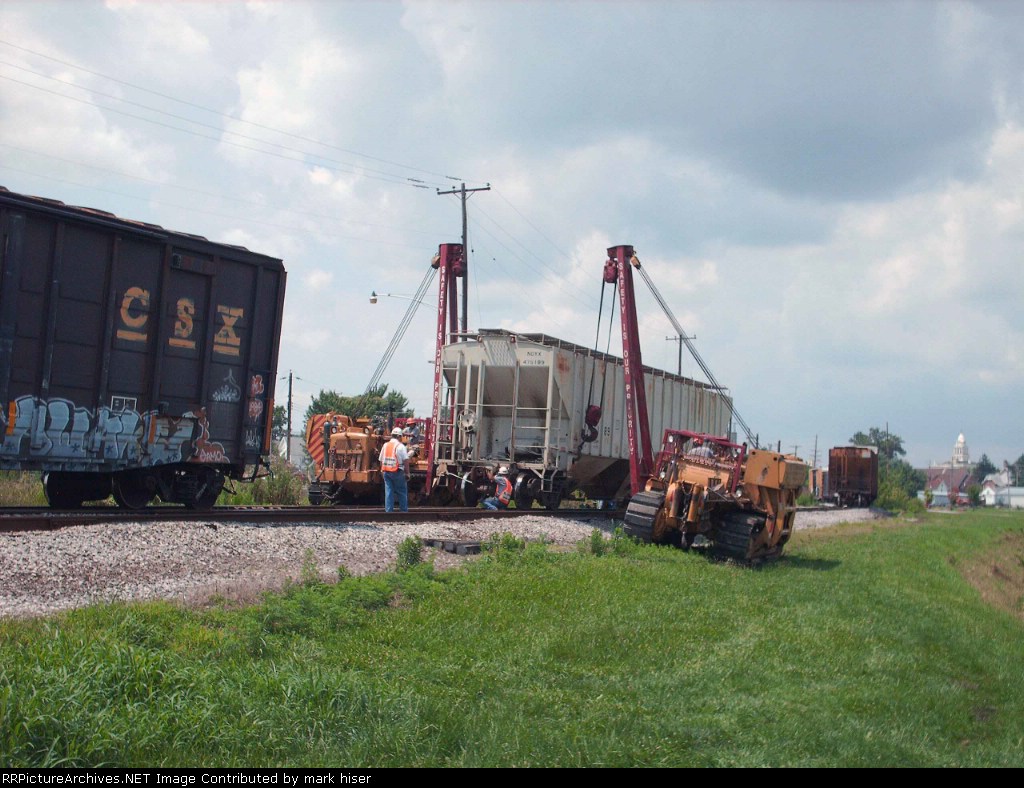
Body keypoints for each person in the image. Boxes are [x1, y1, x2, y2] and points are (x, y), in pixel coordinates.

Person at [379, 427, 410, 512]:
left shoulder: (385, 445)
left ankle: (389, 512)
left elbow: (381, 460)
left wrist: (382, 470)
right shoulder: (400, 446)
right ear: (399, 436)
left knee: (389, 492)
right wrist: (407, 473)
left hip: (386, 471)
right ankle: (403, 511)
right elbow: (406, 460)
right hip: (398, 471)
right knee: (402, 492)